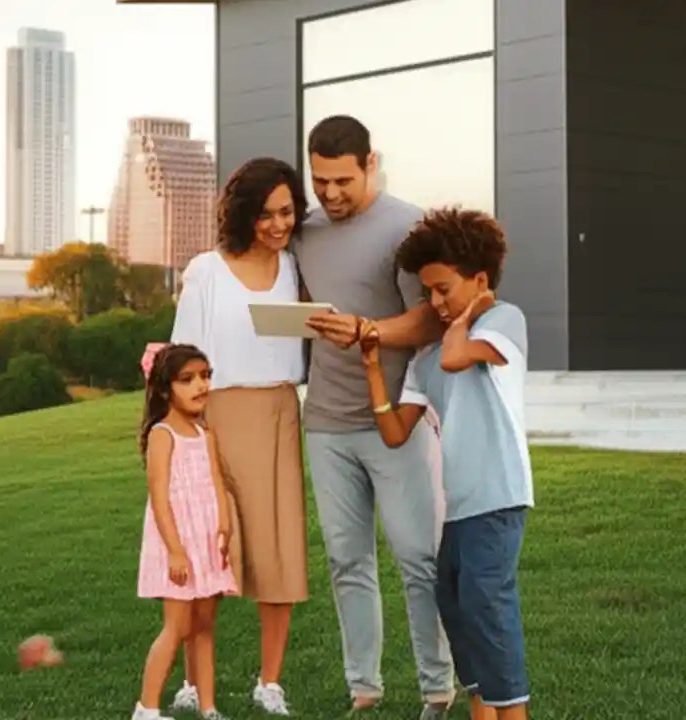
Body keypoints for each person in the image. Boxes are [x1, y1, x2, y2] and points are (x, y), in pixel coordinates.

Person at [296, 114, 454, 718]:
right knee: (346, 559)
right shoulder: (304, 232)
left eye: (342, 180)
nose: (330, 194)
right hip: (327, 423)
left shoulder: (406, 227)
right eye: (320, 182)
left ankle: (436, 689)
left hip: (398, 423)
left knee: (418, 556)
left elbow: (429, 318)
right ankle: (364, 688)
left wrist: (368, 332)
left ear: (370, 164)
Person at [358, 207, 533, 720]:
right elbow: (394, 432)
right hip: (459, 507)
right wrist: (372, 367)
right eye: (427, 292)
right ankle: (482, 709)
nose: (434, 303)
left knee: (487, 604)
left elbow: (460, 357)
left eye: (444, 289)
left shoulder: (504, 321)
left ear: (480, 281)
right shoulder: (425, 360)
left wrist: (467, 312)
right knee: (455, 605)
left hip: (499, 495)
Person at [168, 157, 309, 716]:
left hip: (278, 414)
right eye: (265, 214)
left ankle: (268, 682)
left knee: (279, 552)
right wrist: (188, 430)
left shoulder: (297, 270)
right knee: (208, 549)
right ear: (243, 214)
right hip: (216, 417)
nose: (277, 225)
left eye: (286, 212)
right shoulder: (206, 271)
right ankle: (189, 681)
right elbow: (180, 360)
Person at [133, 344, 239, 720]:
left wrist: (225, 526)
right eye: (188, 379)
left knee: (204, 627)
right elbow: (160, 500)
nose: (200, 386)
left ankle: (208, 707)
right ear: (165, 390)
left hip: (207, 540)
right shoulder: (163, 435)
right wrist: (176, 550)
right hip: (177, 542)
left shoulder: (203, 432)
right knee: (176, 627)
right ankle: (146, 708)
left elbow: (216, 482)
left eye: (205, 376)